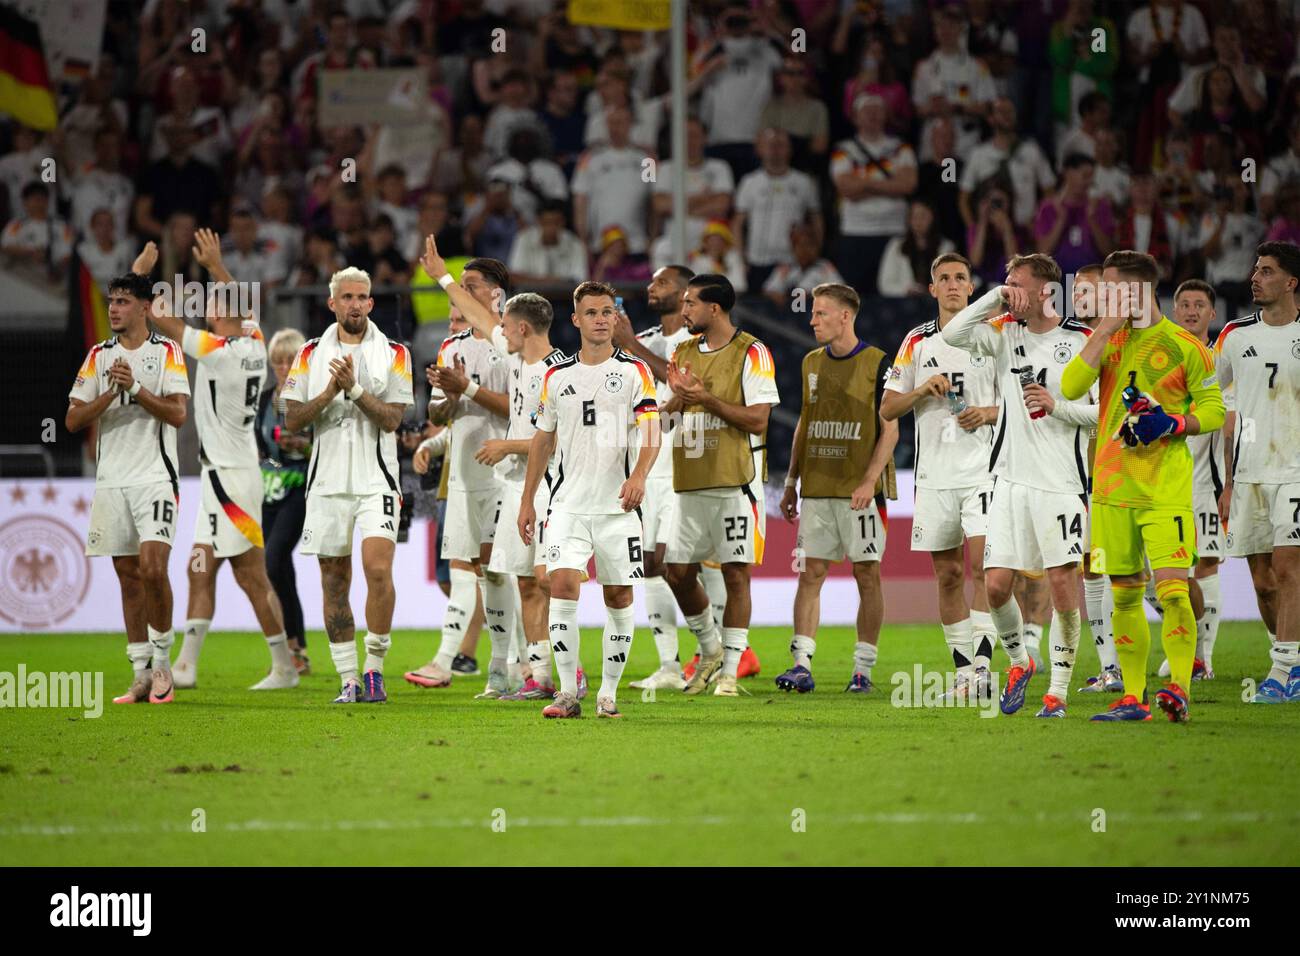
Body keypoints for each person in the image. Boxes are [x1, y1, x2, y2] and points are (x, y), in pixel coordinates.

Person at [1060, 251, 1224, 723]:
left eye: (1112, 288)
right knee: (1124, 594)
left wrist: (1174, 422)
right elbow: (1071, 387)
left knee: (1173, 590)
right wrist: (1105, 330)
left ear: (1137, 290)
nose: (1101, 296)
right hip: (1110, 491)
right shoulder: (1106, 340)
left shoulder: (1185, 345)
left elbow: (1212, 408)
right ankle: (1133, 698)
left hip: (1165, 492)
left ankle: (1178, 689)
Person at [135, 231, 296, 692]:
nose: (206, 310)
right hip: (221, 475)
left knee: (250, 573)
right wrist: (217, 268)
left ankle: (284, 666)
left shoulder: (218, 352)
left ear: (222, 317)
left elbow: (163, 320)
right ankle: (186, 664)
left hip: (232, 479)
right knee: (199, 566)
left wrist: (141, 277)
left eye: (213, 305)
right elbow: (250, 316)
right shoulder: (253, 347)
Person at [942, 254, 1097, 719]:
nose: (1010, 292)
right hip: (1007, 482)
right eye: (1006, 284)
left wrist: (1058, 407)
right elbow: (953, 334)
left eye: (1017, 285)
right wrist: (993, 297)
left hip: (1061, 484)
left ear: (1047, 291)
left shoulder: (1081, 340)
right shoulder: (1006, 332)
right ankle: (1019, 663)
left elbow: (1107, 414)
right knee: (994, 587)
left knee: (1063, 586)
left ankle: (1059, 692)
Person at [419, 237, 567, 700]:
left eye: (504, 324)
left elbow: (559, 440)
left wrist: (508, 444)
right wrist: (442, 277)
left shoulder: (557, 373)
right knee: (516, 578)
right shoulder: (519, 358)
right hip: (513, 486)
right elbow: (478, 314)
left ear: (521, 328)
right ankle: (534, 677)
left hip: (547, 487)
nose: (495, 328)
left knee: (545, 580)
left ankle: (566, 671)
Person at [517, 281, 661, 718]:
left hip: (619, 507)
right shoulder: (556, 376)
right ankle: (566, 692)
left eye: (608, 312)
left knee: (618, 596)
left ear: (616, 318)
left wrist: (639, 475)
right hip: (567, 506)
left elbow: (652, 431)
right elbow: (543, 441)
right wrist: (528, 501)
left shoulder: (636, 371)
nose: (601, 319)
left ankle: (608, 694)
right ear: (575, 320)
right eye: (592, 312)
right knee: (561, 584)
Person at [283, 267, 414, 703]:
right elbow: (293, 420)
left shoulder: (395, 352)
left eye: (362, 297)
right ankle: (348, 677)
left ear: (371, 303)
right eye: (347, 297)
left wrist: (355, 389)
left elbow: (395, 419)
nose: (355, 304)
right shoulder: (308, 353)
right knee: (333, 581)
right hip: (326, 484)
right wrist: (328, 393)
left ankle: (375, 668)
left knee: (378, 571)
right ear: (332, 303)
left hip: (377, 480)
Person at [66, 272, 189, 704]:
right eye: (111, 301)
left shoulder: (167, 352)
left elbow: (177, 415)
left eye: (122, 301)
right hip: (112, 480)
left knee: (154, 569)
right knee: (128, 576)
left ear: (143, 307)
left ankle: (161, 665)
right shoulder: (98, 356)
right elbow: (73, 420)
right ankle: (139, 673)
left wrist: (135, 387)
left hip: (155, 478)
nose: (114, 309)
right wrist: (111, 393)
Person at [881, 253, 1000, 699]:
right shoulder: (916, 342)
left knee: (988, 569)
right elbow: (887, 409)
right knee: (948, 575)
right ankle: (964, 673)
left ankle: (986, 668)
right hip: (934, 477)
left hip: (983, 473)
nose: (952, 285)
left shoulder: (994, 335)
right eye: (943, 279)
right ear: (932, 289)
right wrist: (919, 390)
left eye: (960, 278)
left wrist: (988, 412)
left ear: (972, 288)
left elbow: (1020, 399)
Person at [661, 274, 780, 697]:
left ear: (715, 309)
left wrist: (704, 398)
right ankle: (710, 649)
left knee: (735, 575)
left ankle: (730, 671)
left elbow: (759, 419)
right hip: (689, 480)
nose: (684, 310)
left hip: (735, 483)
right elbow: (666, 420)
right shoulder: (683, 351)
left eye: (691, 302)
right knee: (676, 573)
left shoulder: (753, 352)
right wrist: (675, 399)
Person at [777, 283, 898, 694]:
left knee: (867, 575)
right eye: (813, 312)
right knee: (810, 574)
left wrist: (868, 481)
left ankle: (863, 669)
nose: (812, 320)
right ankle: (800, 664)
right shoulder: (810, 362)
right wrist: (792, 480)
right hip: (817, 488)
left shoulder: (879, 363)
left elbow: (891, 429)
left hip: (859, 493)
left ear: (845, 316)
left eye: (821, 313)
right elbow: (804, 424)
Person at [405, 258, 511, 690]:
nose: (460, 293)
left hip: (510, 473)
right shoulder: (452, 347)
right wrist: (447, 397)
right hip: (465, 475)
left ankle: (515, 664)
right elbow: (437, 412)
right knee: (466, 567)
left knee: (503, 573)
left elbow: (520, 411)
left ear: (496, 294)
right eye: (459, 285)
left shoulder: (513, 342)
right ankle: (451, 661)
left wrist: (466, 389)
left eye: (471, 285)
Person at [1213, 241, 1300, 703]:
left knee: (1290, 569)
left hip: (1296, 471)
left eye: (1266, 271)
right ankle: (1290, 658)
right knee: (1264, 582)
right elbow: (1208, 392)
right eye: (1254, 269)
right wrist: (1226, 481)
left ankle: (1283, 669)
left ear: (1291, 282)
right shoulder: (1234, 336)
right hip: (1249, 475)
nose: (1254, 277)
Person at [1152, 280, 1225, 682]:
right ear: (1174, 310)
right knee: (1155, 573)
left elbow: (1229, 425)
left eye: (1200, 304)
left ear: (1213, 314)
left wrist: (1229, 484)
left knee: (1206, 566)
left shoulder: (1219, 361)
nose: (1192, 310)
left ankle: (1203, 658)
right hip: (1159, 484)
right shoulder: (1160, 358)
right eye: (1184, 304)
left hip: (1203, 484)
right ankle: (1188, 641)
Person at [257, 328, 313, 675]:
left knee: (275, 558)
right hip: (268, 486)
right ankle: (295, 649)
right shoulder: (264, 398)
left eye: (288, 360)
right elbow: (259, 442)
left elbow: (318, 440)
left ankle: (294, 648)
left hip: (300, 484)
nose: (281, 367)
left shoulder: (309, 396)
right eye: (276, 361)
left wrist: (302, 446)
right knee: (276, 567)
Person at [830, 94, 917, 298]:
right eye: (867, 111)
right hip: (856, 232)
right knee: (853, 297)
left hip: (894, 231)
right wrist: (889, 183)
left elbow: (907, 185)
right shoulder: (844, 150)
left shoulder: (900, 148)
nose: (873, 115)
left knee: (893, 293)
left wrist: (864, 181)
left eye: (878, 110)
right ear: (856, 117)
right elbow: (847, 189)